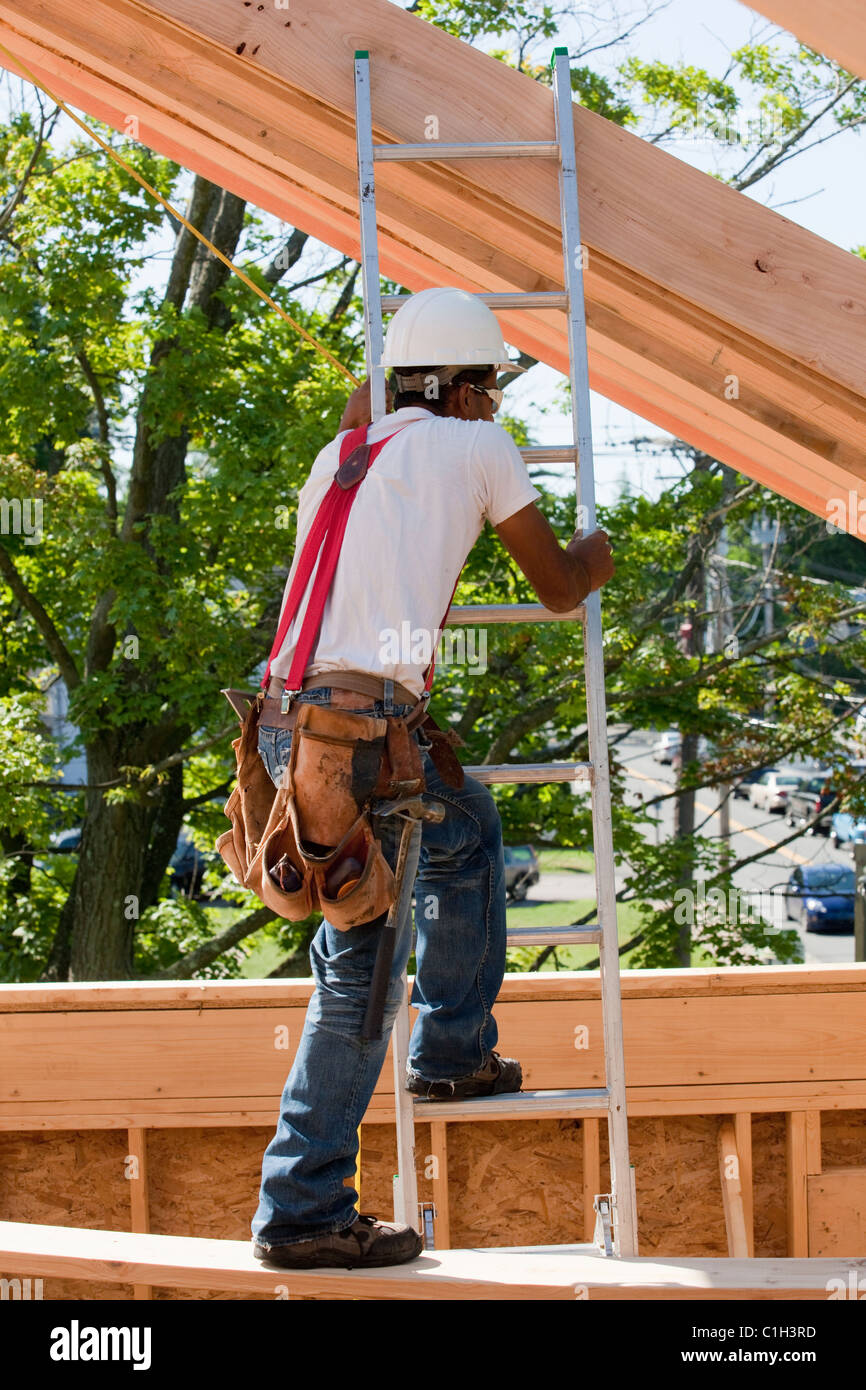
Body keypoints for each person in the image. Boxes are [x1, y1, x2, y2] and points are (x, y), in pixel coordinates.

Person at [250, 287, 614, 1269]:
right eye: (489, 386)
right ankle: (301, 1207)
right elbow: (555, 587)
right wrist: (598, 551)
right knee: (359, 972)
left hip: (298, 724)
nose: (496, 405)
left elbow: (362, 439)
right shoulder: (474, 448)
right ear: (458, 387)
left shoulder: (340, 459)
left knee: (463, 832)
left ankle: (452, 1052)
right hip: (356, 737)